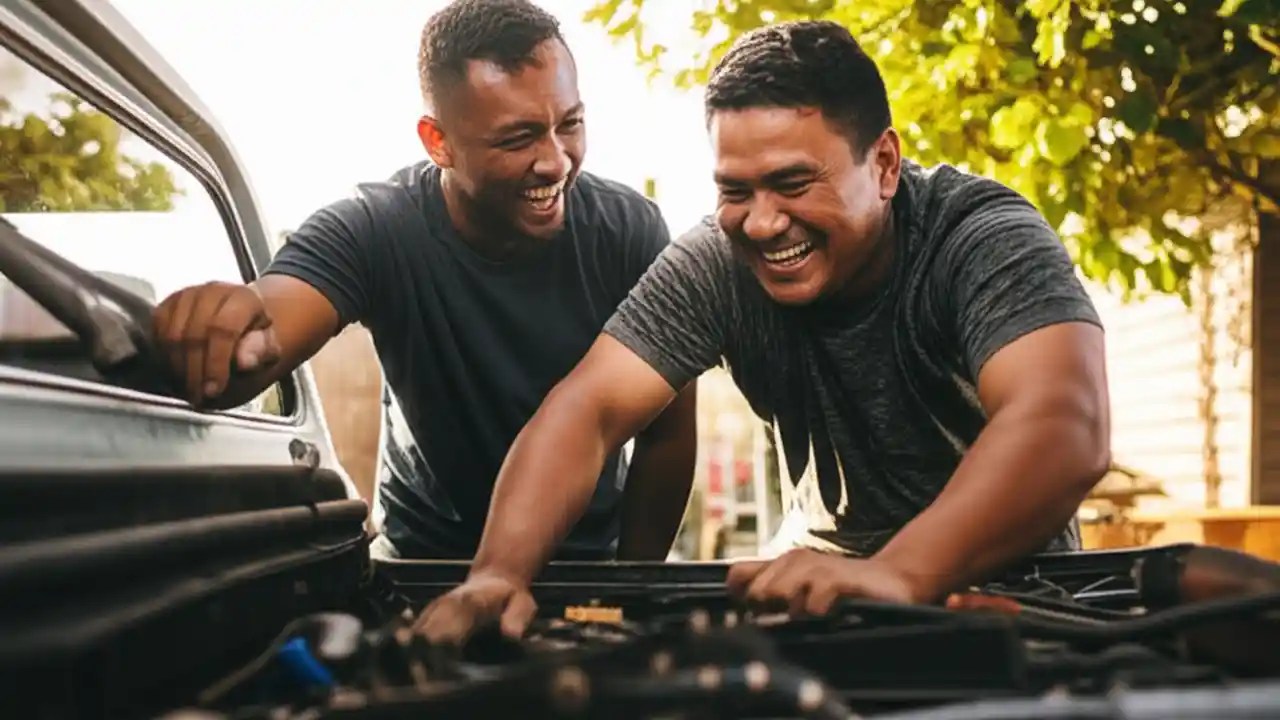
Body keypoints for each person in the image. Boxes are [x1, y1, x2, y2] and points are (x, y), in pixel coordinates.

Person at [415, 19, 1111, 643]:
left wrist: (899, 572)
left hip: (1015, 608)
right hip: (815, 609)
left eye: (794, 182)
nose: (763, 222)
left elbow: (1063, 424)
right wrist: (498, 574)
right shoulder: (720, 262)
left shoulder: (979, 237)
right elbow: (587, 410)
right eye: (735, 191)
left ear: (886, 166)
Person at [149, 0, 697, 562]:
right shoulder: (374, 228)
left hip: (586, 569)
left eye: (570, 124)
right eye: (518, 139)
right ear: (437, 142)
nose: (556, 161)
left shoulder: (630, 231)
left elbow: (668, 436)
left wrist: (632, 588)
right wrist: (226, 328)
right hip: (422, 568)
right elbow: (269, 325)